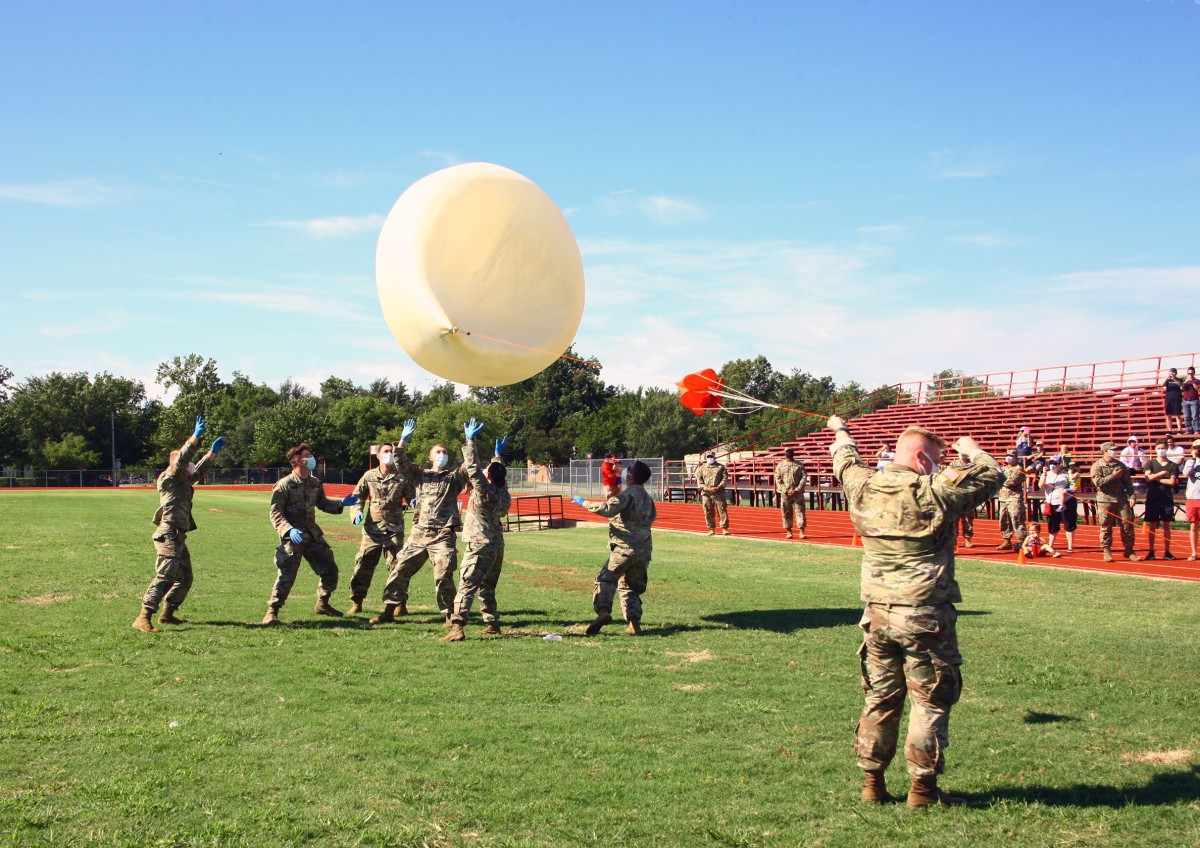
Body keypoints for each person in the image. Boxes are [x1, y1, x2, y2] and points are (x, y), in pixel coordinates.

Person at [827, 415, 1003, 809]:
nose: (939, 467)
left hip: (877, 615)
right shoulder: (935, 491)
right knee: (930, 701)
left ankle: (872, 783)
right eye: (937, 460)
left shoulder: (863, 486)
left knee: (881, 699)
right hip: (925, 615)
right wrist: (970, 449)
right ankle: (922, 790)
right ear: (922, 457)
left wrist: (839, 428)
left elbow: (844, 457)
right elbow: (992, 473)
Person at [132, 416, 226, 632]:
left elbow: (199, 471)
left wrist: (212, 452)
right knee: (166, 575)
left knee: (185, 577)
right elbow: (183, 460)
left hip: (178, 536)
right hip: (168, 534)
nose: (191, 465)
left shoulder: (183, 481)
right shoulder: (169, 478)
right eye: (188, 463)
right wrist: (195, 438)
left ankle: (167, 614)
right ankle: (143, 616)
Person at [371, 433, 470, 625]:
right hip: (419, 534)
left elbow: (470, 466)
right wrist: (403, 441)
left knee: (443, 575)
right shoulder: (420, 475)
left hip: (442, 535)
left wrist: (470, 443)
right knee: (399, 570)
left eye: (445, 452)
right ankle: (389, 611)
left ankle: (450, 616)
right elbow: (401, 464)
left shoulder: (453, 477)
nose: (442, 454)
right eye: (438, 452)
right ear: (430, 457)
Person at [263, 443, 360, 625]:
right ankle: (271, 613)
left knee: (330, 570)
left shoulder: (315, 483)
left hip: (312, 535)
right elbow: (275, 512)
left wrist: (341, 504)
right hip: (293, 537)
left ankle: (323, 603)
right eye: (308, 455)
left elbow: (323, 504)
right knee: (287, 575)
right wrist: (288, 529)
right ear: (297, 460)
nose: (312, 458)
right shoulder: (285, 484)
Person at [444, 420, 512, 642]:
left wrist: (470, 441)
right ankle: (492, 623)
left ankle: (457, 627)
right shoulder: (504, 493)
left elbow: (472, 467)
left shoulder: (485, 489)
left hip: (479, 544)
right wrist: (496, 457)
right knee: (487, 586)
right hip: (496, 546)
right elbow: (497, 474)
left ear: (489, 477)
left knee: (466, 584)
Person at [574, 460, 657, 636]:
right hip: (644, 549)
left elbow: (607, 509)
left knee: (606, 579)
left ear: (632, 477)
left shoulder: (628, 495)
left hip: (625, 548)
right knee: (630, 586)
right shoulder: (648, 498)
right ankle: (634, 624)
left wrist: (584, 503)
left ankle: (603, 612)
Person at [345, 420, 417, 614]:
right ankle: (357, 601)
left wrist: (414, 502)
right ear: (378, 456)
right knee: (363, 566)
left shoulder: (402, 477)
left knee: (397, 567)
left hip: (394, 530)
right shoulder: (369, 476)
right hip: (372, 530)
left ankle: (399, 604)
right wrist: (356, 512)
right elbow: (356, 497)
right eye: (385, 452)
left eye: (391, 452)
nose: (388, 455)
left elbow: (411, 496)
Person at [1090, 441, 1139, 563]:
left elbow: (1128, 482)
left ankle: (1129, 550)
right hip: (1105, 500)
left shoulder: (1121, 465)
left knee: (1127, 524)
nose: (1115, 451)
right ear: (1105, 451)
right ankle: (1106, 550)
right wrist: (1113, 476)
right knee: (1106, 526)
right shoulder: (1097, 466)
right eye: (1112, 449)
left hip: (1121, 499)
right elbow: (1097, 482)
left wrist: (1132, 495)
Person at [1142, 440, 1179, 561]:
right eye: (1158, 448)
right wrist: (1162, 473)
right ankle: (1151, 551)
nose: (1160, 450)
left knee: (1166, 525)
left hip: (1166, 497)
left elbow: (1171, 482)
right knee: (1152, 524)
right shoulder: (1150, 463)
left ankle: (1167, 551)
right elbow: (1148, 478)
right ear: (1155, 449)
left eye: (1162, 447)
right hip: (1153, 497)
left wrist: (1155, 477)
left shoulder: (1173, 465)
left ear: (1167, 448)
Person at [1040, 457, 1076, 554]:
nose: (1053, 465)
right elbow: (1041, 486)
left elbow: (1074, 486)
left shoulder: (1065, 474)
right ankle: (1050, 545)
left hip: (1066, 502)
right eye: (1051, 463)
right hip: (1051, 503)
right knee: (1052, 525)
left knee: (1068, 524)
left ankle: (1070, 547)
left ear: (1059, 464)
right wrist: (1044, 474)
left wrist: (1066, 490)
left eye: (1055, 463)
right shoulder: (1046, 474)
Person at [996, 454, 1029, 552]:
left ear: (1015, 457)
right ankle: (1007, 540)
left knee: (1016, 518)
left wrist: (999, 479)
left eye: (1011, 456)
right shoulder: (1004, 468)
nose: (1008, 458)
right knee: (1003, 519)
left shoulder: (1019, 469)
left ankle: (1022, 541)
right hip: (1003, 497)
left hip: (1014, 497)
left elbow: (1012, 481)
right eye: (1007, 455)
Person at [774, 448, 807, 539]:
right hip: (785, 493)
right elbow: (778, 479)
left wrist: (797, 489)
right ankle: (789, 531)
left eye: (790, 452)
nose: (789, 453)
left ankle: (801, 531)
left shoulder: (799, 465)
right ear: (785, 454)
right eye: (787, 452)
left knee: (800, 512)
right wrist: (785, 490)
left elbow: (804, 478)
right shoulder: (780, 465)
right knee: (786, 512)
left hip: (797, 493)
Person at [696, 451, 729, 536]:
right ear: (706, 458)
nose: (710, 458)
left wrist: (719, 487)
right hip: (706, 493)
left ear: (715, 457)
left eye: (711, 456)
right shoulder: (702, 468)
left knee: (722, 510)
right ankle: (711, 529)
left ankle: (724, 528)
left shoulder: (720, 467)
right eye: (708, 457)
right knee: (708, 511)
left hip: (718, 492)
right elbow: (699, 481)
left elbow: (725, 479)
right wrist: (706, 488)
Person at [947, 450, 975, 548]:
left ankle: (967, 539)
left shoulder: (972, 464)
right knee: (954, 520)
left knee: (968, 519)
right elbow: (948, 476)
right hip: (956, 495)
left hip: (968, 496)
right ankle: (953, 540)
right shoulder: (953, 464)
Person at [1183, 440, 1200, 560]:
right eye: (1195, 447)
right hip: (1193, 497)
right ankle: (1194, 552)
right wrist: (1193, 460)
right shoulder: (1190, 462)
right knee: (1193, 526)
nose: (1198, 449)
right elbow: (1186, 473)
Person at [1162, 367, 1184, 434]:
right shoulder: (1168, 380)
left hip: (1177, 398)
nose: (1171, 373)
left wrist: (1174, 379)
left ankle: (1179, 430)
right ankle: (1169, 430)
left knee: (1177, 415)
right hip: (1168, 399)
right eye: (1170, 372)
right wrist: (1167, 377)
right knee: (1168, 415)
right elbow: (1161, 384)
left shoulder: (1179, 379)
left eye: (1172, 372)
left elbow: (1180, 385)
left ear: (1175, 373)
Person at [1183, 366, 1200, 435]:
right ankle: (1189, 430)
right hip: (1185, 400)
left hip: (1194, 400)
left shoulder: (1197, 381)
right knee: (1187, 417)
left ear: (1194, 373)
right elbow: (1182, 388)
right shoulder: (1185, 381)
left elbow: (1197, 389)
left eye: (1191, 373)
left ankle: (1196, 430)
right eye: (1189, 373)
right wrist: (1186, 381)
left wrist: (1192, 381)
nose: (1190, 375)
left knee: (1195, 416)